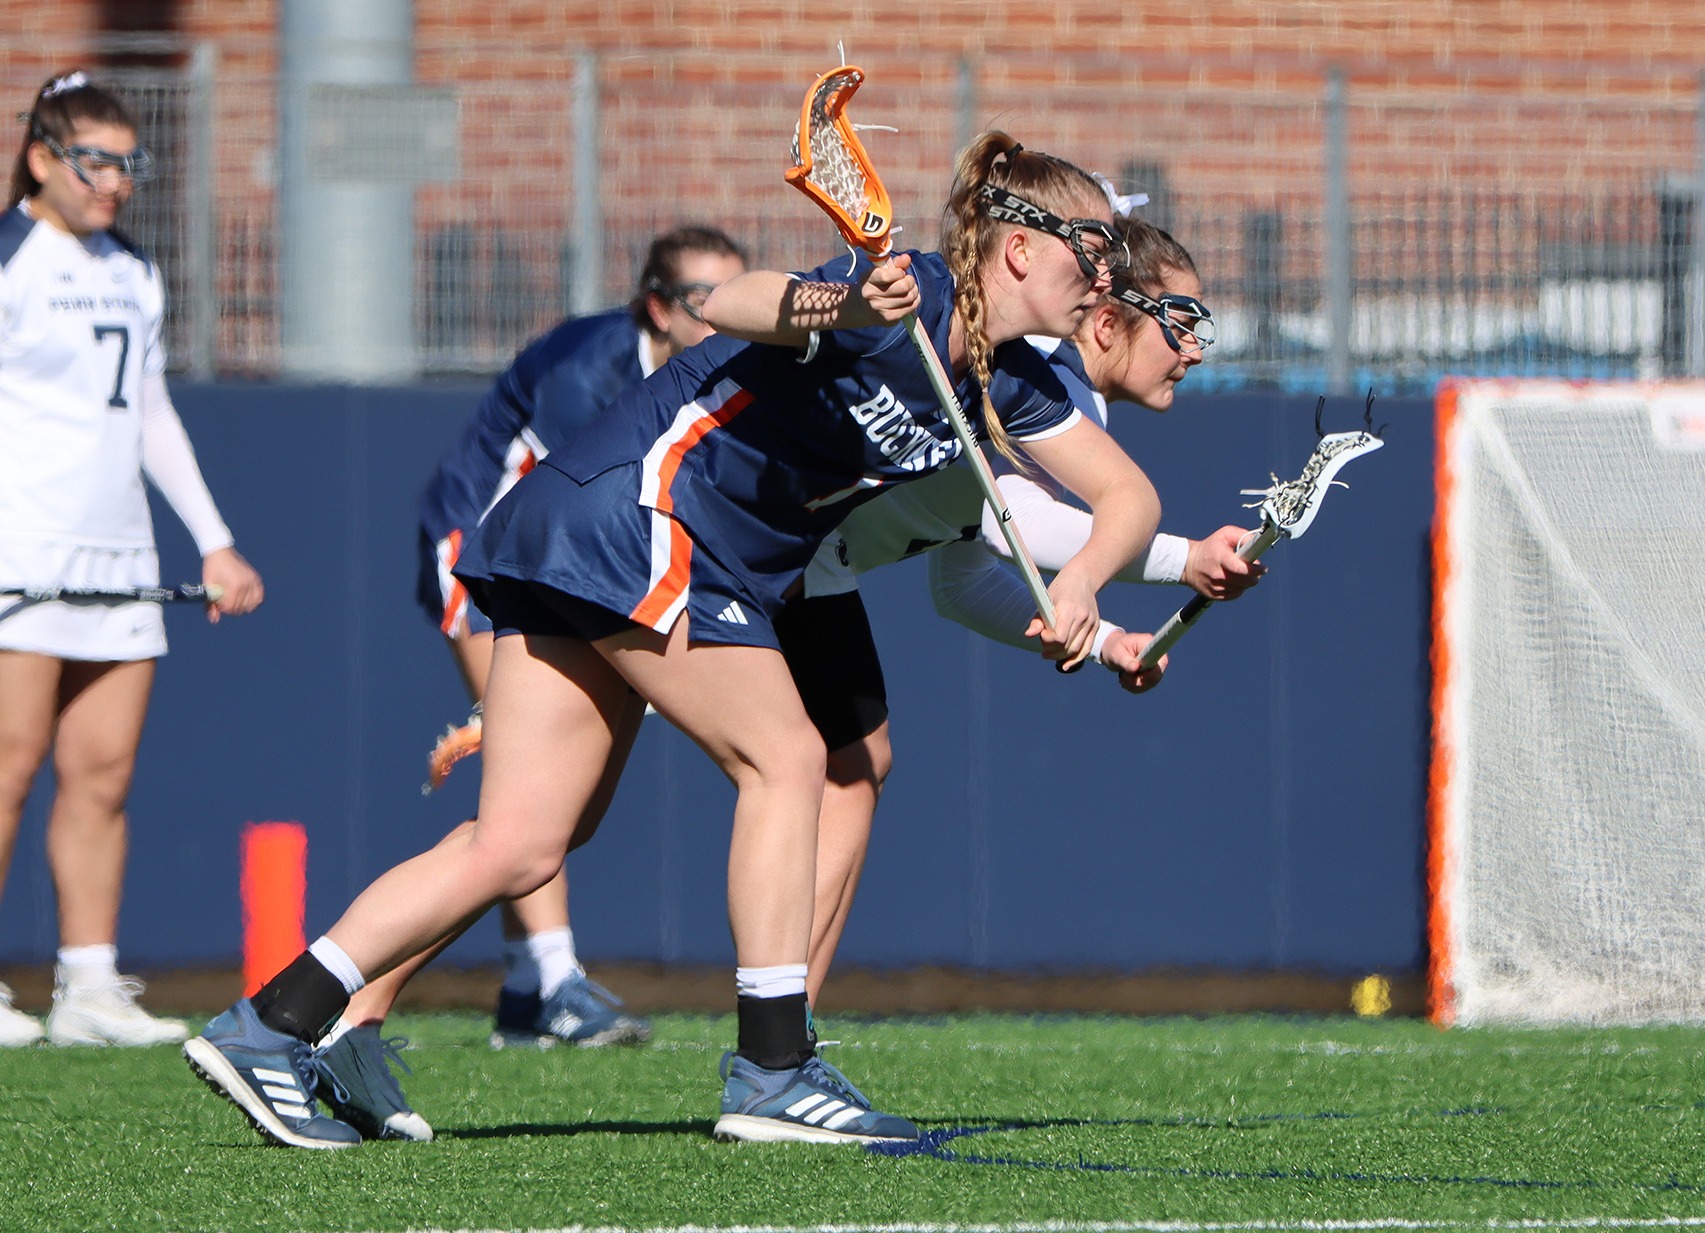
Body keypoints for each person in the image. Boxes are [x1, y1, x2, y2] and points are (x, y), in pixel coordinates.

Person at [182, 131, 1159, 1148]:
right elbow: (729, 302)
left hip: (607, 530)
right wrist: (841, 306)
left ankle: (272, 1024)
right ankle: (774, 1069)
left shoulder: (1006, 381)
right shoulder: (908, 290)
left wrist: (1083, 581)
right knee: (787, 758)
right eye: (1092, 250)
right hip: (644, 516)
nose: (1107, 278)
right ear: (1017, 250)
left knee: (521, 844)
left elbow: (1127, 496)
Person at [286, 226, 750, 1143]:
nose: (728, 315)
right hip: (493, 553)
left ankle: (511, 986)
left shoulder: (704, 370)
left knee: (552, 819)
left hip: (568, 565)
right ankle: (540, 978)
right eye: (708, 300)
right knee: (527, 815)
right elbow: (567, 513)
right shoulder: (588, 373)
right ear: (659, 308)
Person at [783, 217, 1258, 1002]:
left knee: (854, 766)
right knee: (806, 767)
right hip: (771, 545)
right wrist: (1186, 559)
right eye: (1181, 322)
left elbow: (962, 580)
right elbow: (1012, 517)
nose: (1195, 350)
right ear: (1108, 323)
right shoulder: (1047, 386)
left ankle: (784, 1028)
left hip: (814, 567)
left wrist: (1104, 640)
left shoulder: (1059, 391)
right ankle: (774, 1030)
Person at [0, 71, 262, 1049]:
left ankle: (89, 987)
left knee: (102, 774)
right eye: (94, 162)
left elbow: (150, 412)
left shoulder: (133, 268)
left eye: (127, 164)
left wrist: (214, 539)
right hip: (20, 550)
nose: (114, 182)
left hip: (118, 552)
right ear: (41, 158)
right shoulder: (10, 258)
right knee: (8, 766)